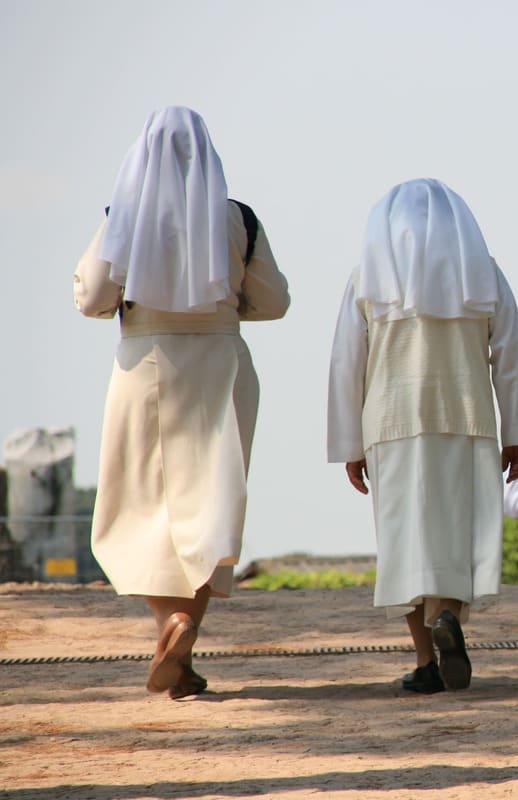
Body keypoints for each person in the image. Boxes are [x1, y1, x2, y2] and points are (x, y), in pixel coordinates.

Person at [74, 106, 290, 699]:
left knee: (141, 505)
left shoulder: (122, 219)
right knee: (208, 505)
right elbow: (273, 303)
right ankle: (184, 635)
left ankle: (171, 625)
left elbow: (93, 298)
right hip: (220, 365)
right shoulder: (238, 218)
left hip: (144, 366)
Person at [327, 179, 518, 694]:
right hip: (467, 420)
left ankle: (426, 661)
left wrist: (348, 444)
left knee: (405, 544)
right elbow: (509, 356)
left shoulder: (367, 278)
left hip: (391, 426)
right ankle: (448, 617)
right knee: (457, 536)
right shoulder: (484, 274)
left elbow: (345, 366)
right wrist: (517, 431)